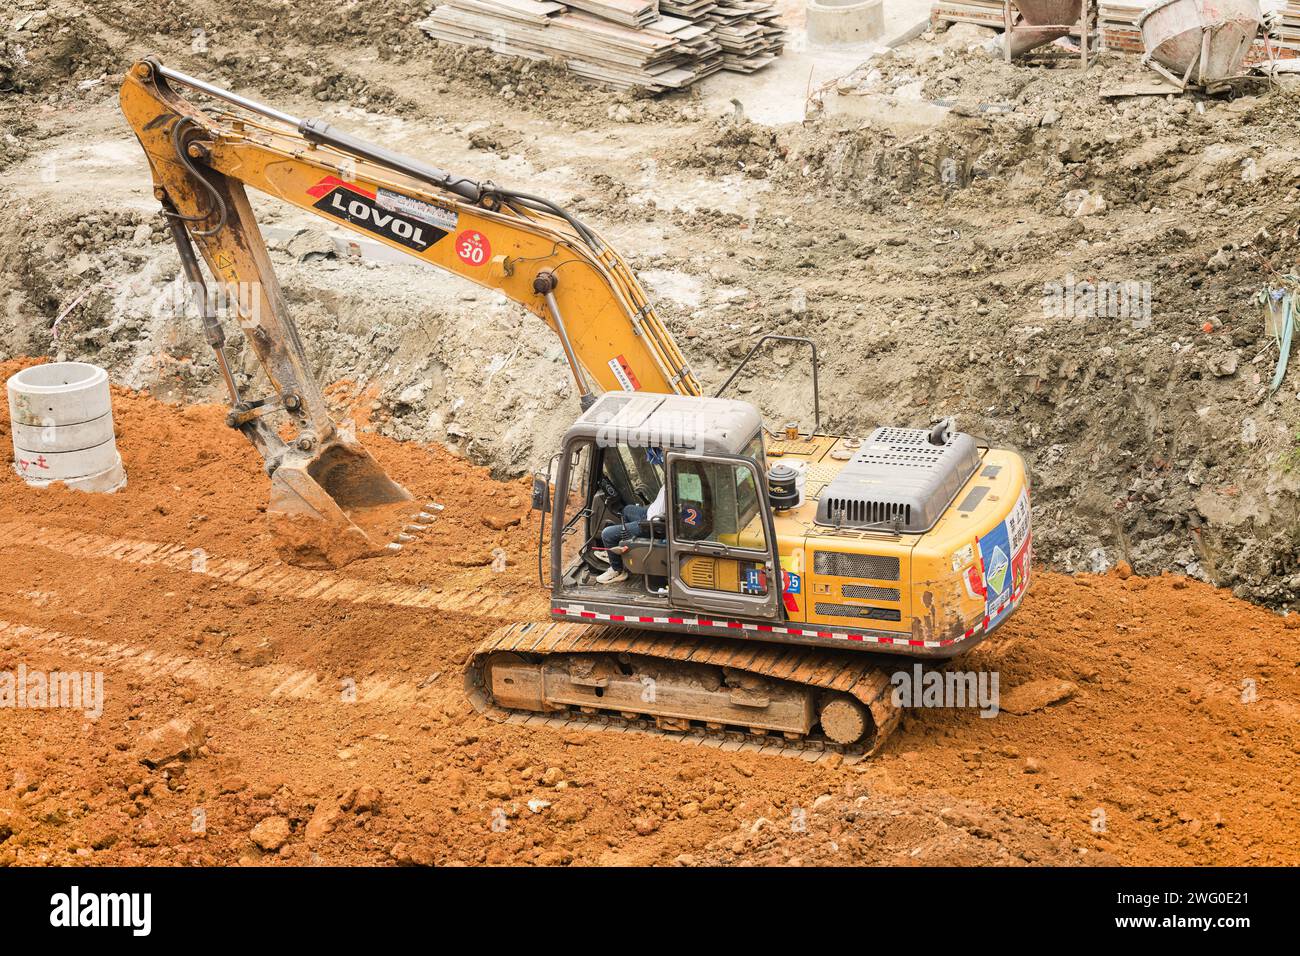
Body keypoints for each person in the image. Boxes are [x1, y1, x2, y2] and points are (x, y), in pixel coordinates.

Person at [597, 449, 666, 584]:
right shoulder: (676, 472)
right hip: (650, 513)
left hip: (652, 524)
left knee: (607, 534)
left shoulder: (677, 478)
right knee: (627, 510)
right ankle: (618, 555)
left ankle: (617, 570)